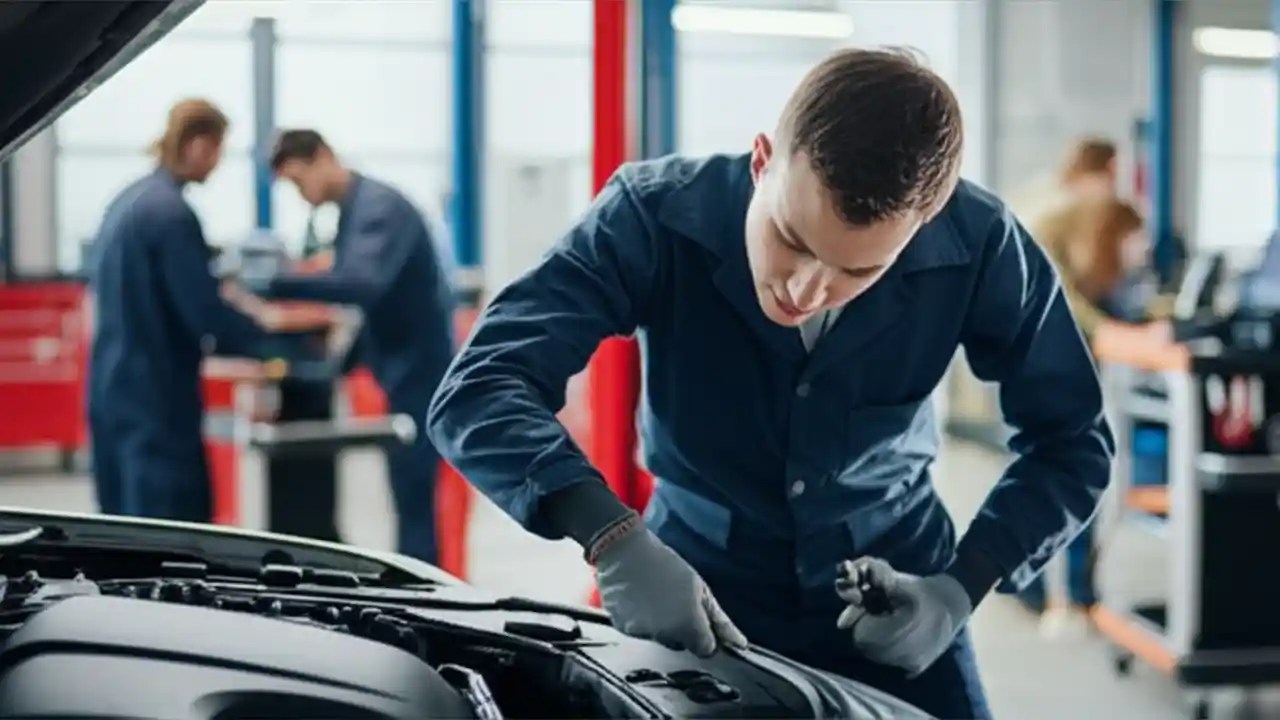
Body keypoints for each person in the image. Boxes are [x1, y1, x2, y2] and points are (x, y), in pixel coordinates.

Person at [427, 48, 1113, 719]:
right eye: (792, 238)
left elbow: (1072, 441)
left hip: (898, 598)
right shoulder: (652, 215)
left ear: (922, 228)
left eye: (858, 274)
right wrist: (611, 538)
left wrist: (961, 587)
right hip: (693, 598)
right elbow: (483, 384)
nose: (807, 290)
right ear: (763, 161)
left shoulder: (982, 242)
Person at [248, 129, 456, 564]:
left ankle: (426, 599)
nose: (301, 196)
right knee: (404, 494)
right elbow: (371, 305)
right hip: (402, 371)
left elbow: (362, 285)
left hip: (421, 376)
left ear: (322, 157)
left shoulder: (379, 209)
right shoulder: (354, 210)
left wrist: (270, 280)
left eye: (298, 181)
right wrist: (334, 367)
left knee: (413, 499)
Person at [85, 98, 270, 521]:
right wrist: (266, 335)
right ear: (199, 145)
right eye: (219, 150)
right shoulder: (171, 215)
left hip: (113, 394)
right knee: (173, 541)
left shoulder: (127, 202)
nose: (217, 163)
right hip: (157, 404)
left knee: (123, 533)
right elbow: (203, 311)